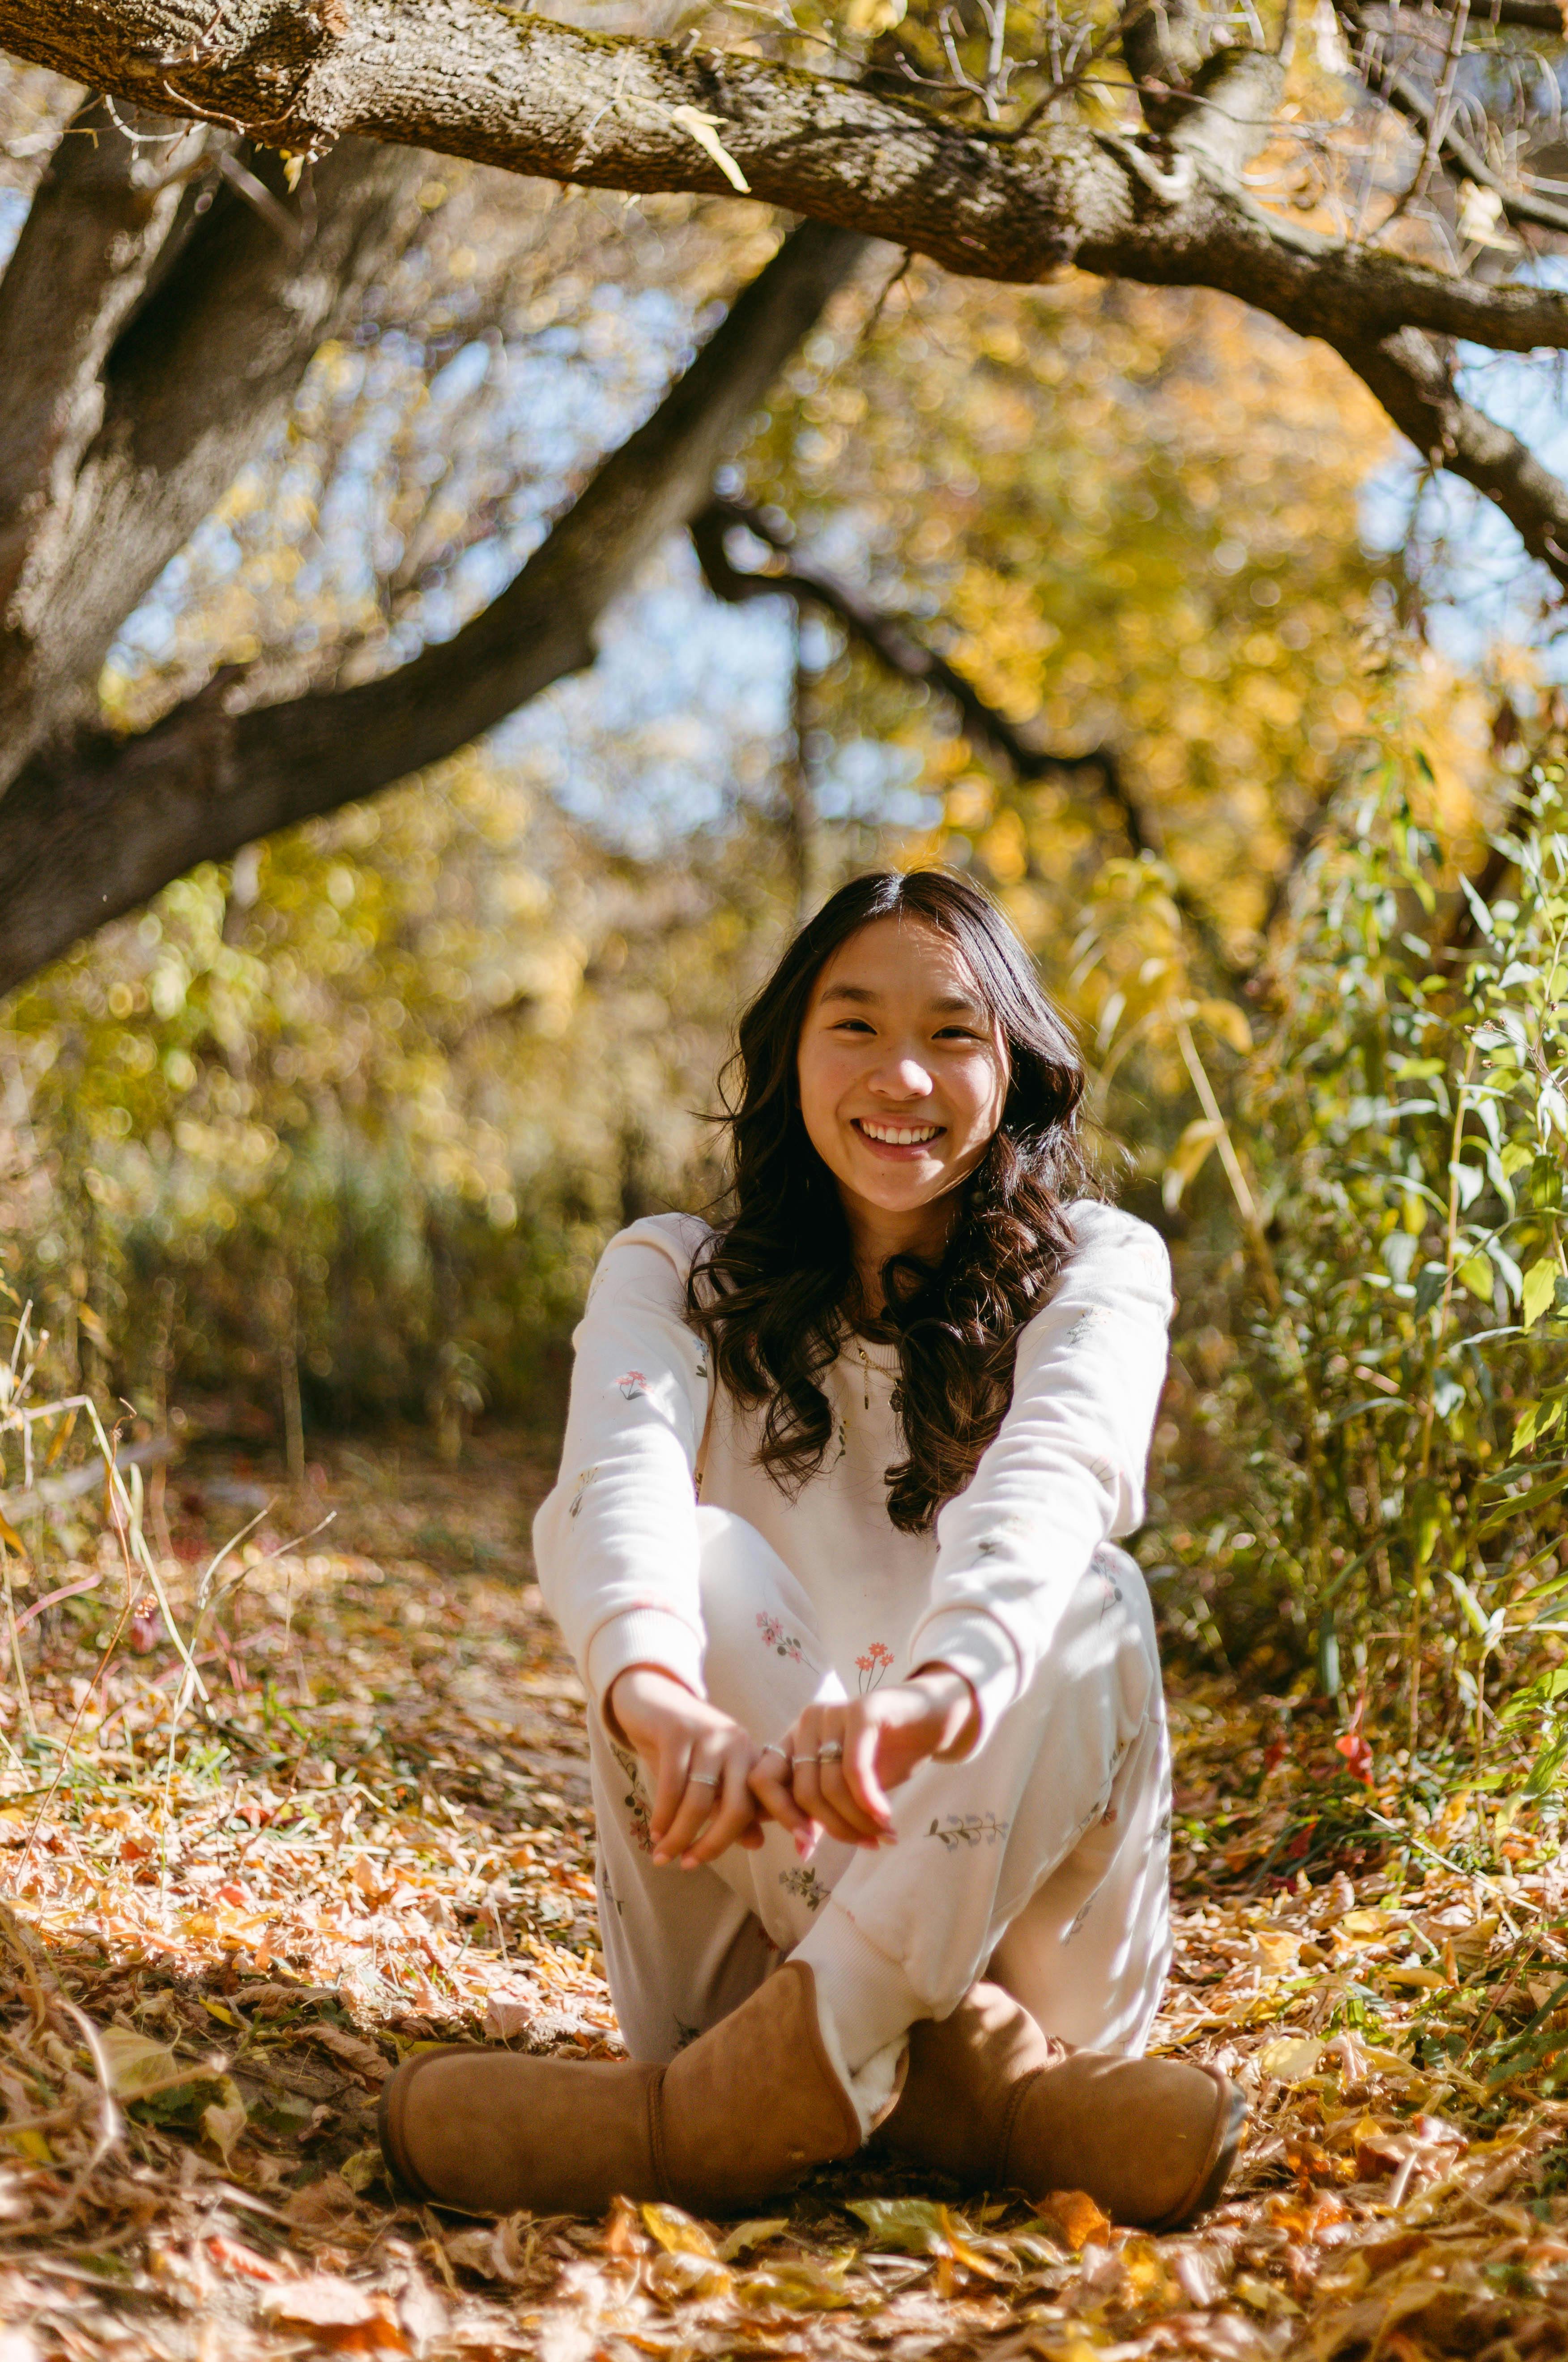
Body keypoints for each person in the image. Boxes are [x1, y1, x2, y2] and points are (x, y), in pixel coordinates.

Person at [379, 870, 1244, 2226]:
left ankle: (713, 2119)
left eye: (954, 1032)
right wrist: (662, 1708)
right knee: (699, 1557)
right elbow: (615, 1484)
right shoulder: (669, 1273)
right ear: (789, 1053)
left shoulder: (1098, 1264)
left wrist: (938, 1697)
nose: (904, 1072)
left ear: (1012, 1067)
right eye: (855, 1025)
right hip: (734, 1942)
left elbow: (1055, 1475)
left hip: (1035, 1968)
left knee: (1092, 1591)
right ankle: (970, 2097)